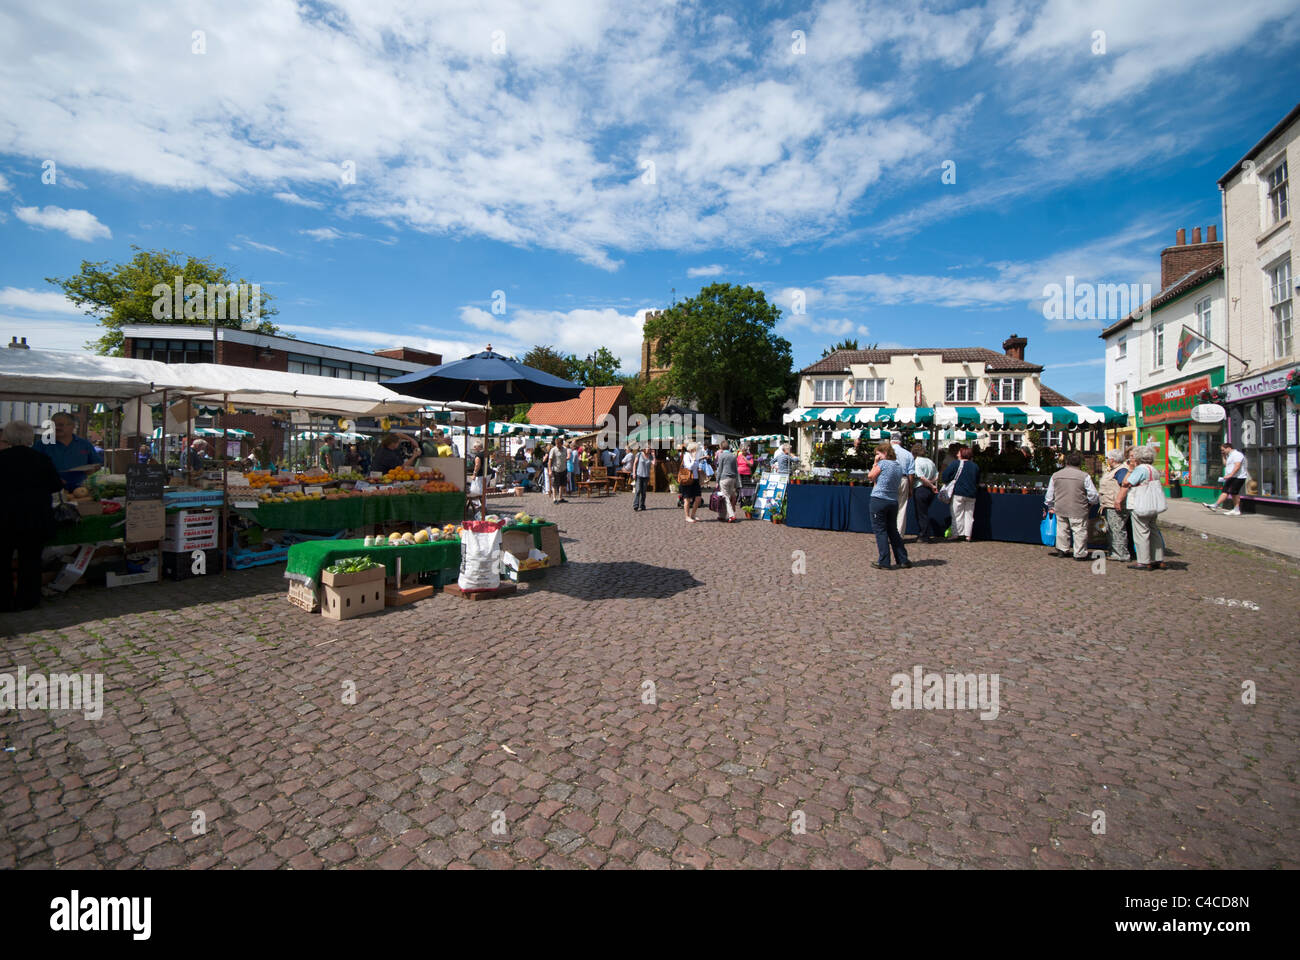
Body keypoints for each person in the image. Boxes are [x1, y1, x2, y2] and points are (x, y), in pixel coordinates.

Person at [0, 422, 64, 612]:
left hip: (4, 518)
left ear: (8, 438)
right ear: (29, 438)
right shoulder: (42, 459)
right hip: (34, 517)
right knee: (31, 561)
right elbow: (55, 486)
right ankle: (28, 600)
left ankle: (3, 601)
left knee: (2, 560)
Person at [1045, 451, 1100, 560]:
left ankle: (1062, 549)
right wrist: (1091, 503)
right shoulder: (1084, 476)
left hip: (1060, 506)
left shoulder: (1056, 475)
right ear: (1080, 463)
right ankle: (1079, 553)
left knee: (1062, 529)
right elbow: (1093, 494)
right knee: (1079, 530)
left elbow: (1049, 494)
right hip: (1078, 507)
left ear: (1066, 462)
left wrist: (1050, 505)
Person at [1117, 445, 1165, 571]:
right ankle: (1158, 558)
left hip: (1140, 504)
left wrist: (1131, 470)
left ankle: (1143, 561)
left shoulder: (1140, 469)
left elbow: (1126, 483)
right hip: (1153, 504)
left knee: (1141, 532)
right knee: (1154, 531)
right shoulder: (1153, 469)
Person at [867, 441, 911, 569]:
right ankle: (902, 559)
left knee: (880, 531)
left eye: (878, 454)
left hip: (879, 499)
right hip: (892, 500)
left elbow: (871, 476)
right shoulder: (898, 466)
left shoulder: (883, 463)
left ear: (884, 453)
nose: (877, 456)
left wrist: (875, 462)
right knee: (893, 531)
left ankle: (884, 561)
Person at [34, 411, 103, 492]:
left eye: (61, 425)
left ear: (72, 426)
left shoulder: (84, 444)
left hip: (80, 490)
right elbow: (31, 467)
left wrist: (93, 469)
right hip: (50, 490)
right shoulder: (41, 445)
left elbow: (97, 463)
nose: (57, 428)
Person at [1097, 450, 1132, 563]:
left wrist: (1119, 500)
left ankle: (1121, 554)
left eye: (1108, 458)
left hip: (1115, 505)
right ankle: (1114, 551)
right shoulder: (1115, 470)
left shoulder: (1121, 470)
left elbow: (1124, 485)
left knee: (1117, 529)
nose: (1107, 460)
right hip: (1109, 504)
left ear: (1112, 459)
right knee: (1112, 529)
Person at [940, 445, 979, 541]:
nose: (957, 454)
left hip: (958, 492)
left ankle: (956, 534)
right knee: (969, 515)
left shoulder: (955, 463)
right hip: (971, 493)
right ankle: (968, 535)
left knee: (956, 514)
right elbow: (977, 480)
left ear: (962, 454)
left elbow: (945, 476)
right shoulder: (975, 466)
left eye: (959, 452)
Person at [1207, 441, 1247, 515]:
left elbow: (1237, 466)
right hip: (1231, 476)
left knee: (1233, 492)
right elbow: (1225, 464)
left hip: (1238, 477)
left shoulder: (1237, 454)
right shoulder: (1229, 455)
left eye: (1223, 450)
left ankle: (1235, 509)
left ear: (1229, 448)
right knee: (1226, 491)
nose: (1222, 451)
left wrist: (1231, 474)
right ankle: (1216, 505)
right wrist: (1223, 456)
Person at [911, 444, 940, 543]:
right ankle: (924, 533)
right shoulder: (930, 461)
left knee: (921, 513)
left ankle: (923, 535)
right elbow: (937, 475)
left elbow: (921, 477)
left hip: (920, 489)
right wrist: (931, 483)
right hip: (929, 491)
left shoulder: (917, 462)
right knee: (925, 512)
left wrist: (930, 484)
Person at [890, 431, 915, 539]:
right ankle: (898, 535)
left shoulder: (887, 452)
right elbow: (911, 473)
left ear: (891, 441)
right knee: (901, 508)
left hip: (890, 479)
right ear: (900, 441)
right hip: (904, 478)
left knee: (889, 506)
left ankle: (889, 534)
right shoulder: (908, 454)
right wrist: (910, 488)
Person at [714, 440, 740, 522]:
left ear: (721, 447)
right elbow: (736, 469)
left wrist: (717, 481)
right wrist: (737, 482)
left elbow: (720, 469)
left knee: (725, 498)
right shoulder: (733, 456)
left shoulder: (722, 455)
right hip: (732, 478)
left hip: (724, 478)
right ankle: (722, 516)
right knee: (727, 497)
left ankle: (731, 515)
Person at [680, 441, 705, 522]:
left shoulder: (696, 457)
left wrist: (699, 468)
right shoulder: (686, 456)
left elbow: (696, 466)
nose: (697, 451)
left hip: (695, 479)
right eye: (696, 449)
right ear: (692, 449)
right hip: (687, 479)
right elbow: (689, 467)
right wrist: (694, 460)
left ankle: (693, 515)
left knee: (698, 498)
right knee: (687, 499)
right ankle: (687, 516)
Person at [632, 444, 653, 511]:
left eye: (650, 448)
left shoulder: (651, 456)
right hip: (639, 475)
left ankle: (642, 505)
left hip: (646, 476)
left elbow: (654, 464)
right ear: (644, 449)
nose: (649, 449)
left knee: (643, 492)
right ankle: (636, 505)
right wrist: (634, 473)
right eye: (648, 448)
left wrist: (654, 455)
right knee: (638, 490)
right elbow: (635, 464)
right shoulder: (639, 454)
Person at [548, 438, 568, 504]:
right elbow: (550, 461)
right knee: (555, 484)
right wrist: (550, 470)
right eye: (556, 444)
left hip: (563, 469)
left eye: (558, 444)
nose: (557, 445)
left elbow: (565, 458)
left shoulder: (565, 449)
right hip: (556, 469)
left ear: (561, 444)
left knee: (562, 484)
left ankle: (560, 497)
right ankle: (554, 499)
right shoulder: (553, 450)